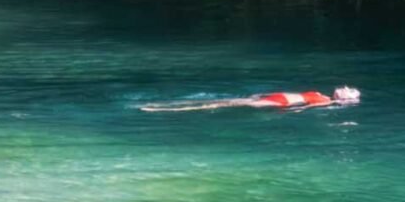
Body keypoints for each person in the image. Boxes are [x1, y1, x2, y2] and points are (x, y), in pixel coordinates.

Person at [140, 86, 361, 114]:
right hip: (275, 98)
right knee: (227, 100)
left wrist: (286, 110)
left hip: (279, 102)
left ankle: (164, 109)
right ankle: (165, 106)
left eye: (349, 91)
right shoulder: (322, 96)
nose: (345, 88)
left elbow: (301, 107)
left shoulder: (326, 101)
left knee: (222, 103)